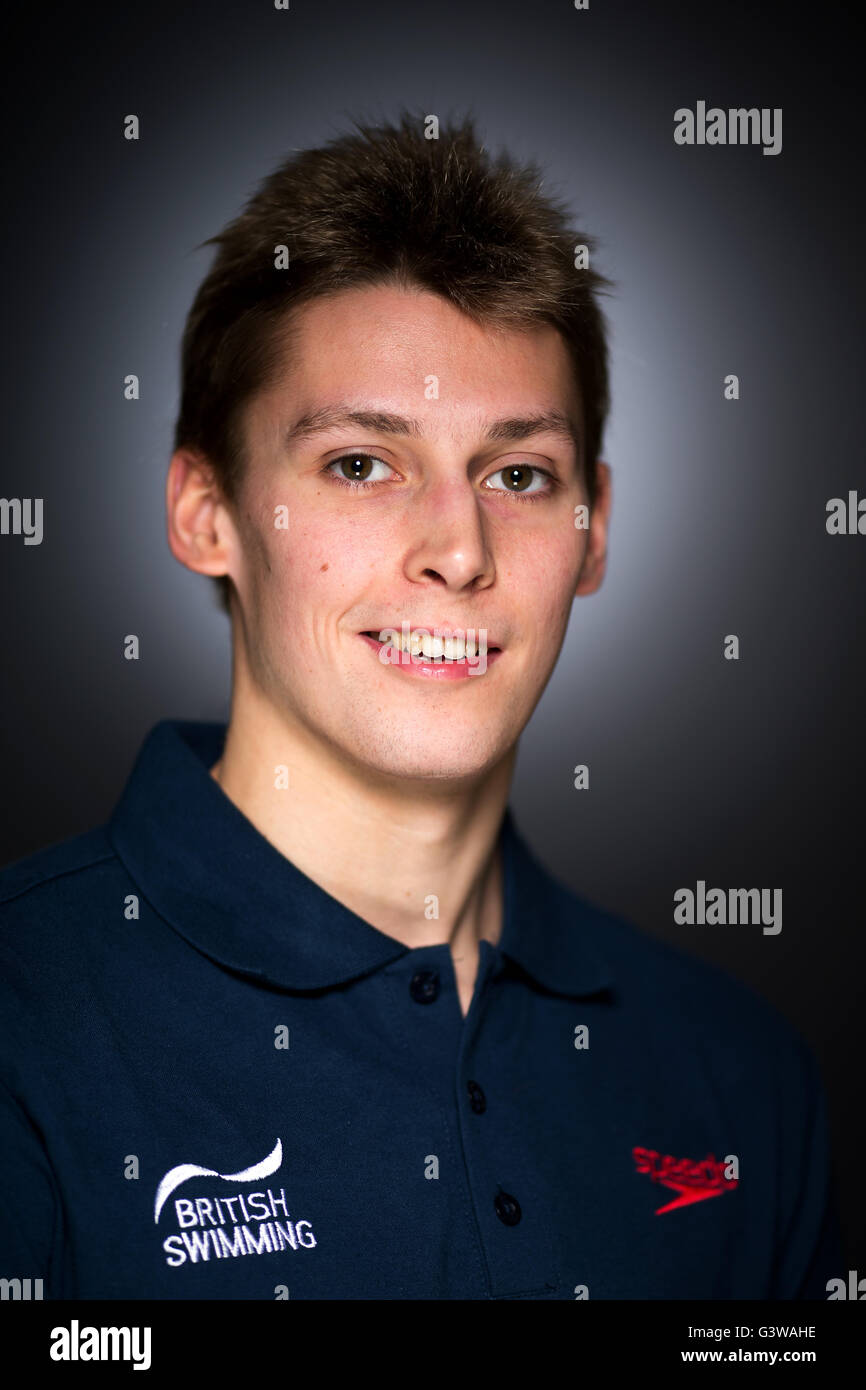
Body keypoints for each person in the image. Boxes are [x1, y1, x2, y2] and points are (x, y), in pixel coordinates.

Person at [0, 111, 841, 1300]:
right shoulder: (25, 1016)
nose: (458, 548)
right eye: (360, 463)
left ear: (591, 529)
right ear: (207, 514)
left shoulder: (739, 1073)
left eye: (516, 474)